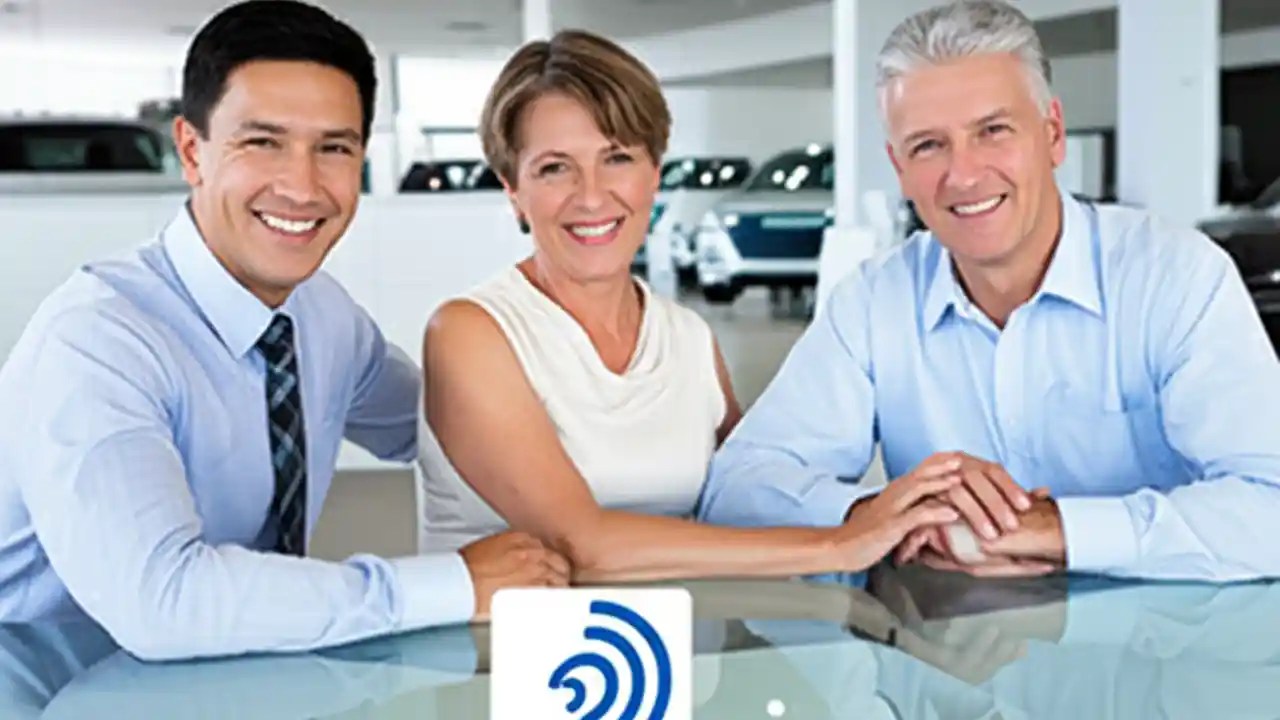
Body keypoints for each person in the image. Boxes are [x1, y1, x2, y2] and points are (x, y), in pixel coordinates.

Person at [0, 0, 567, 661]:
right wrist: (455, 584)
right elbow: (162, 604)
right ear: (192, 150)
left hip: (237, 678)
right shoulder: (98, 342)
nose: (302, 186)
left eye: (333, 148)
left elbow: (450, 428)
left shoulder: (321, 315)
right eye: (262, 142)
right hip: (54, 685)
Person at [698, 0, 1280, 581]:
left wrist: (1054, 529)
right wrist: (881, 513)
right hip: (951, 657)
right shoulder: (874, 301)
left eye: (993, 131)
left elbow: (1270, 505)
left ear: (1052, 135)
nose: (965, 174)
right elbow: (737, 489)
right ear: (898, 167)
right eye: (928, 145)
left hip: (1161, 652)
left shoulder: (1174, 276)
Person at [417, 29, 963, 582]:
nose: (591, 194)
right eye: (555, 167)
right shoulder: (470, 334)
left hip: (679, 660)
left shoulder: (687, 337)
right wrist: (840, 544)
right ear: (513, 190)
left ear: (654, 174)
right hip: (503, 663)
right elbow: (583, 544)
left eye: (617, 158)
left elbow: (750, 493)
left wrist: (907, 516)